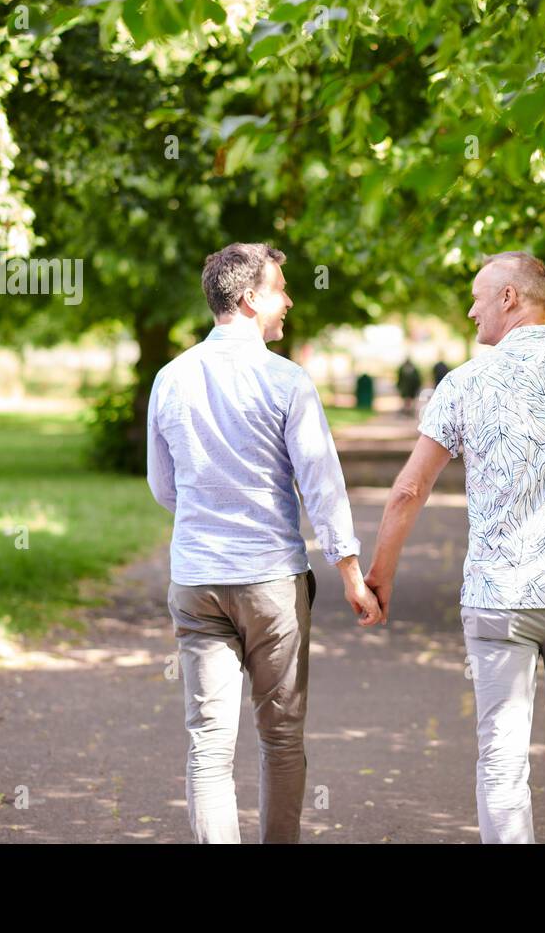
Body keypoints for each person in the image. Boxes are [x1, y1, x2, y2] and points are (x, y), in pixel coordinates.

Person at [364, 251, 545, 843]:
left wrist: (380, 578)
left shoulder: (466, 382)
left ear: (509, 298)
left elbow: (408, 490)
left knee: (501, 761)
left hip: (497, 599)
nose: (470, 309)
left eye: (478, 296)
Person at [146, 241, 383, 844]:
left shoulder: (170, 378)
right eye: (281, 289)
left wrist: (211, 513)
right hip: (270, 583)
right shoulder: (287, 381)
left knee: (207, 744)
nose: (289, 301)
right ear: (250, 298)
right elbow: (322, 487)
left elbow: (164, 486)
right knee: (280, 738)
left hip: (197, 581)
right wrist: (353, 574)